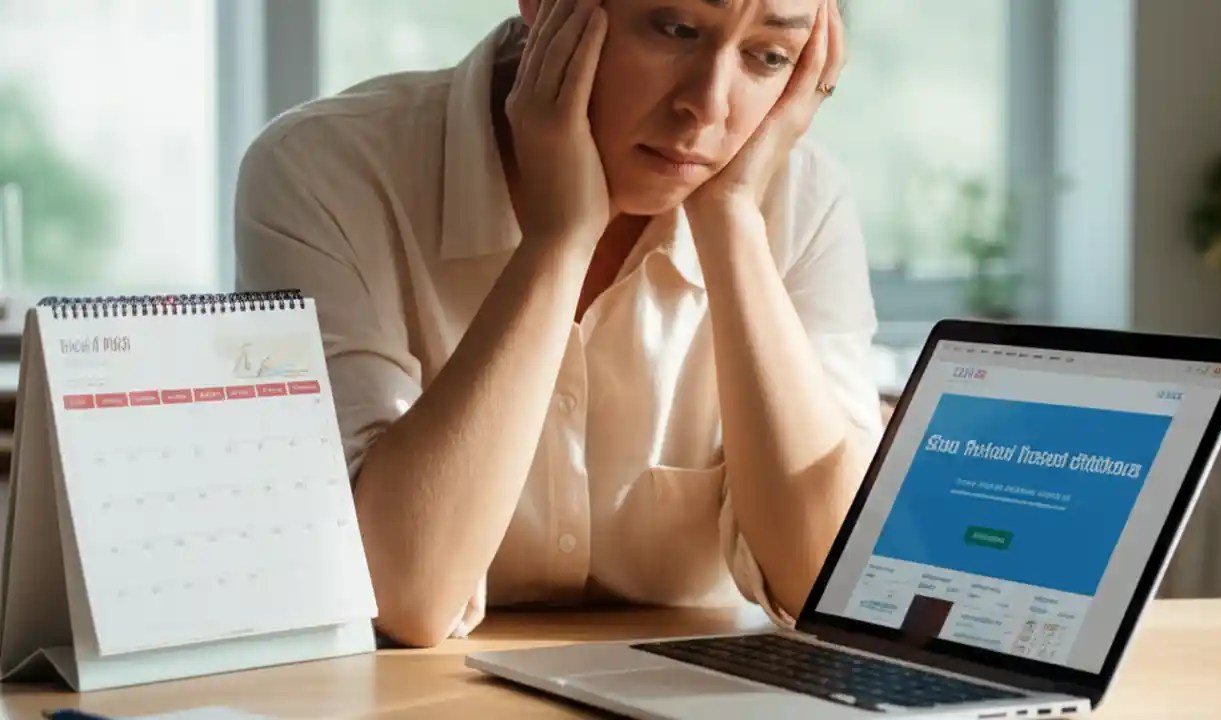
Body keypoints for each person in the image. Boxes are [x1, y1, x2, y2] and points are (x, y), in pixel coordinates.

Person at [235, 0, 882, 649]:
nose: (709, 106)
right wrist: (559, 242)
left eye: (768, 57)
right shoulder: (327, 171)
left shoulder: (804, 202)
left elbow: (829, 583)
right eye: (677, 29)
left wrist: (733, 219)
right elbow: (404, 595)